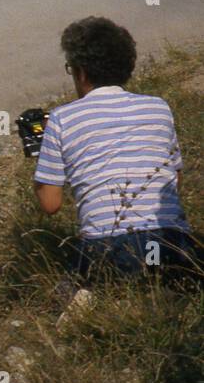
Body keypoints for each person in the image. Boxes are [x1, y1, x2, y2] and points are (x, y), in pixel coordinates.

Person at [34, 17, 194, 279]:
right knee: (161, 281)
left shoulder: (62, 118)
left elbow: (50, 204)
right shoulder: (159, 107)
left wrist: (44, 156)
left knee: (71, 289)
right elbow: (174, 180)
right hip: (173, 243)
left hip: (107, 247)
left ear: (81, 72)